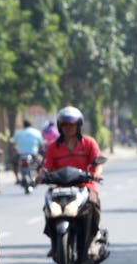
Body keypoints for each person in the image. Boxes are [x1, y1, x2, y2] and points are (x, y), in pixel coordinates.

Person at [36, 106, 104, 256]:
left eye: (71, 124)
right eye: (64, 124)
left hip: (85, 186)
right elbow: (45, 167)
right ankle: (55, 242)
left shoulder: (89, 143)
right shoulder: (53, 147)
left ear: (78, 125)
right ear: (60, 126)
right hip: (60, 189)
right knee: (48, 208)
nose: (68, 128)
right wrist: (41, 176)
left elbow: (97, 163)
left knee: (93, 203)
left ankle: (92, 240)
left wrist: (97, 173)